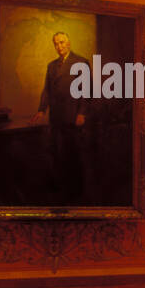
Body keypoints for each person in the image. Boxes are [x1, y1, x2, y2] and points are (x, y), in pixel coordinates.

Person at [29, 31, 92, 203]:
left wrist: (82, 113)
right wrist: (42, 110)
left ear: (69, 43)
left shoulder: (81, 62)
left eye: (62, 42)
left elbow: (87, 91)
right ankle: (61, 189)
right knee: (56, 151)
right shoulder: (52, 66)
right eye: (56, 43)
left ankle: (77, 191)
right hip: (56, 116)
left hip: (73, 116)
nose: (60, 46)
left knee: (74, 152)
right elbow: (47, 90)